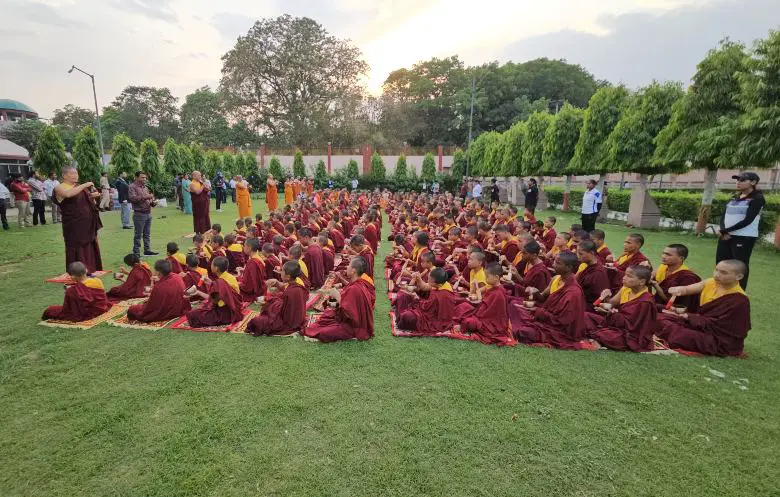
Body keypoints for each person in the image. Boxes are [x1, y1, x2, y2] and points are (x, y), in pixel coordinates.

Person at [658, 260, 751, 356]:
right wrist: (679, 290)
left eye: (723, 273)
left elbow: (725, 328)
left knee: (680, 336)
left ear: (739, 277)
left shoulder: (739, 300)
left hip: (717, 338)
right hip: (699, 325)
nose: (717, 275)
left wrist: (688, 316)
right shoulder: (711, 282)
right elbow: (687, 289)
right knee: (660, 318)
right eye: (716, 270)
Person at [510, 251, 588, 350]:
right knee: (514, 305)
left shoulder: (573, 292)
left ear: (569, 267)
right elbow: (543, 297)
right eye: (554, 261)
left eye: (558, 263)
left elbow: (562, 321)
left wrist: (537, 311)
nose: (553, 264)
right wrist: (536, 292)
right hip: (544, 319)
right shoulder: (557, 278)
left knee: (521, 331)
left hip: (557, 331)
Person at [303, 256, 376, 342]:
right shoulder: (358, 283)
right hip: (348, 319)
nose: (347, 267)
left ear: (353, 271)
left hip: (353, 326)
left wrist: (337, 295)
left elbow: (349, 312)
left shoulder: (356, 288)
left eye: (349, 265)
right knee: (326, 317)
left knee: (323, 332)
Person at [587, 265, 658, 352]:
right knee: (586, 316)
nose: (624, 278)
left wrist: (611, 313)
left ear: (642, 282)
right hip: (614, 323)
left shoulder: (645, 301)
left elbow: (633, 327)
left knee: (608, 335)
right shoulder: (626, 289)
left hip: (630, 334)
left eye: (629, 276)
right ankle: (598, 337)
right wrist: (605, 297)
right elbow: (611, 303)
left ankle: (597, 338)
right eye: (625, 275)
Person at [716, 172, 764, 289]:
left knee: (740, 266)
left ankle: (739, 293)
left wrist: (726, 230)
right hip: (726, 235)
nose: (738, 182)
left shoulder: (758, 198)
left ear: (753, 182)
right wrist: (723, 230)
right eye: (737, 180)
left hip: (744, 237)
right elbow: (724, 215)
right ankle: (720, 289)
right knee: (721, 263)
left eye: (742, 180)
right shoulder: (735, 197)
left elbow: (748, 220)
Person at [53, 165, 103, 273]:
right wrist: (86, 184)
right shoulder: (59, 187)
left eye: (76, 173)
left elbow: (83, 198)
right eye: (72, 173)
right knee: (77, 246)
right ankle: (77, 271)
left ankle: (91, 268)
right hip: (74, 224)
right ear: (64, 175)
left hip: (87, 223)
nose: (75, 176)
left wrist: (92, 196)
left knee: (90, 244)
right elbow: (68, 194)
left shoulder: (79, 187)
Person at [453, 263, 513, 345]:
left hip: (491, 325)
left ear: (496, 278)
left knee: (469, 321)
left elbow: (487, 314)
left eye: (487, 276)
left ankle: (462, 326)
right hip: (483, 316)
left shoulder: (498, 293)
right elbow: (485, 306)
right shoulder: (494, 288)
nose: (485, 278)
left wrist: (474, 315)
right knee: (463, 306)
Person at [246, 260, 307, 336]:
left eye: (282, 272)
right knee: (272, 302)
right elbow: (285, 303)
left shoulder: (290, 291)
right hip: (299, 319)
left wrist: (268, 305)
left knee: (256, 321)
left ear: (288, 276)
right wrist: (269, 299)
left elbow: (282, 313)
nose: (280, 273)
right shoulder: (298, 286)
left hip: (287, 323)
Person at [185, 256, 244, 327]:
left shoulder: (219, 282)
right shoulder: (230, 276)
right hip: (234, 309)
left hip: (224, 314)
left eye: (212, 264)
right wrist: (211, 283)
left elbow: (212, 300)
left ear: (216, 268)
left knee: (192, 314)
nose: (210, 266)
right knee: (202, 309)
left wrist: (198, 292)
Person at [42, 261, 111, 321]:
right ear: (86, 270)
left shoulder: (71, 291)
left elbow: (67, 309)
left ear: (72, 277)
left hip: (88, 314)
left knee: (50, 310)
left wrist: (70, 291)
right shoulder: (97, 280)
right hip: (102, 309)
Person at [127, 259, 191, 322]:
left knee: (132, 309)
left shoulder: (158, 286)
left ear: (158, 272)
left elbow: (151, 306)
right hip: (179, 309)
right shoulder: (177, 277)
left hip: (166, 311)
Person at [397, 267, 456, 334]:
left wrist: (416, 299)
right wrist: (418, 279)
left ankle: (402, 315)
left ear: (438, 284)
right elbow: (425, 287)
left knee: (406, 316)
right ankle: (402, 314)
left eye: (430, 281)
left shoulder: (444, 294)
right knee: (403, 296)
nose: (428, 281)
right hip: (427, 308)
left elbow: (427, 309)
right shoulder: (439, 283)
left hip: (434, 320)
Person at [651, 244, 701, 311]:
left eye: (668, 255)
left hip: (674, 310)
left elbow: (676, 304)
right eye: (663, 253)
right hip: (658, 304)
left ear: (681, 258)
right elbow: (649, 278)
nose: (663, 256)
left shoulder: (687, 277)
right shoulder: (662, 267)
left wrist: (657, 287)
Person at [575, 240, 611, 311]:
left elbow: (600, 298)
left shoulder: (598, 273)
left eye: (581, 254)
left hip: (588, 307)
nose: (577, 256)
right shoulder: (588, 265)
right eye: (577, 253)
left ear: (591, 253)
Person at [128, 171, 158, 257]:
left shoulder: (145, 187)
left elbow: (148, 200)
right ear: (136, 177)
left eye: (145, 178)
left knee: (147, 234)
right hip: (139, 214)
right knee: (138, 235)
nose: (144, 179)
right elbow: (133, 199)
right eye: (142, 177)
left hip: (148, 213)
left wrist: (153, 203)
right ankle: (136, 252)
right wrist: (146, 197)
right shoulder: (132, 187)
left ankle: (147, 250)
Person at [238, 237, 267, 302]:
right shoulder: (257, 258)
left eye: (244, 245)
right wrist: (244, 270)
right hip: (260, 288)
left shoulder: (253, 262)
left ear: (249, 247)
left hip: (252, 293)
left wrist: (239, 284)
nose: (243, 247)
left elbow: (248, 287)